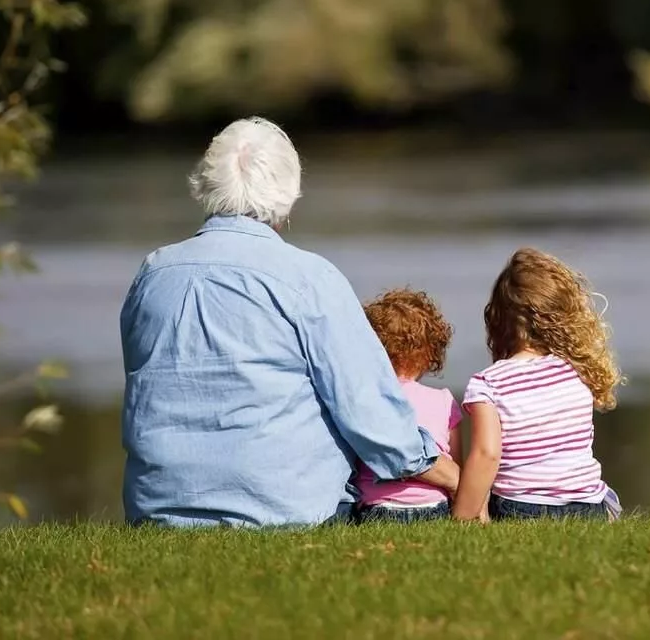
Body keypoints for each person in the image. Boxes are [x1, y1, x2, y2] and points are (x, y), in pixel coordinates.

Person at [120, 117, 458, 527]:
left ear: (205, 185)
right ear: (289, 193)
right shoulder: (310, 279)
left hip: (156, 513)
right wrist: (461, 479)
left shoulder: (152, 274)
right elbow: (371, 416)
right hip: (286, 513)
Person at [452, 247, 623, 522]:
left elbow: (486, 454)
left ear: (496, 319)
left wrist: (460, 516)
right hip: (587, 506)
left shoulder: (488, 384)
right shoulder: (577, 370)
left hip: (521, 509)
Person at [354, 289, 463, 523]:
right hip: (433, 505)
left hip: (377, 506)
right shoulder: (444, 400)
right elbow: (454, 462)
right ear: (430, 353)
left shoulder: (365, 399)